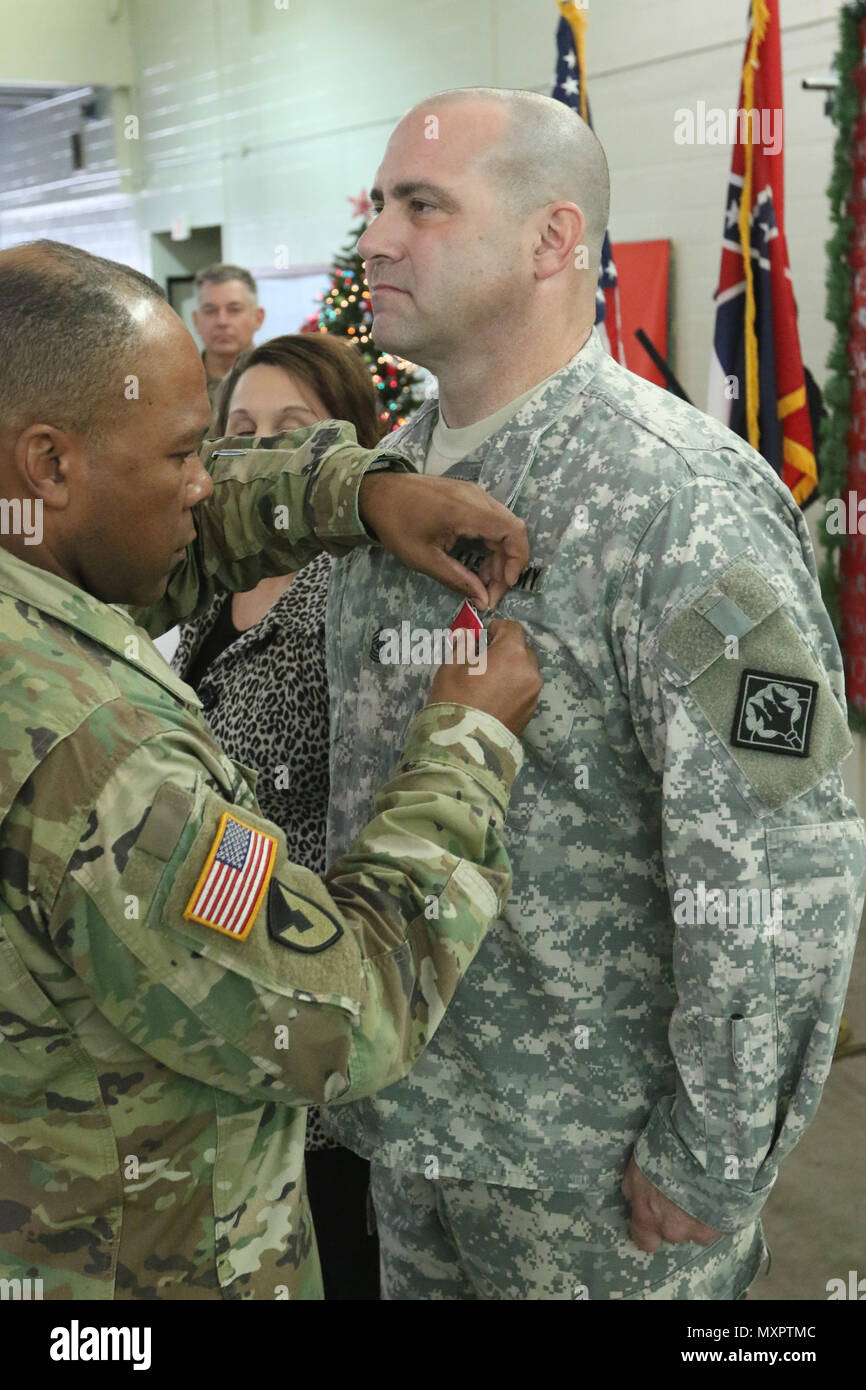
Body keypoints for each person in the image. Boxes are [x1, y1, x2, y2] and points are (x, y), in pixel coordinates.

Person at [323, 87, 866, 1300]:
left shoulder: (681, 504)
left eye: (421, 205)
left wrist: (716, 1150)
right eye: (377, 206)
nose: (375, 240)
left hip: (594, 1181)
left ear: (552, 241)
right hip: (412, 1134)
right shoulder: (388, 484)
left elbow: (789, 851)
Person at [0, 238, 542, 1300]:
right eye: (180, 455)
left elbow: (156, 542)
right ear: (50, 464)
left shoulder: (33, 570)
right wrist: (468, 741)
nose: (204, 486)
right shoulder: (95, 759)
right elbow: (344, 1013)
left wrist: (352, 493)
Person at [173, 333, 384, 1299]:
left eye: (291, 432)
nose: (258, 454)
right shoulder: (201, 576)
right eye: (239, 431)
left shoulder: (357, 589)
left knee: (341, 1249)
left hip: (322, 991)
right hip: (223, 999)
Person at [192, 262, 265, 418]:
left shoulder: (281, 380)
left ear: (258, 318)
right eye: (210, 311)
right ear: (196, 321)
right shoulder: (178, 386)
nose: (222, 321)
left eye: (234, 310)